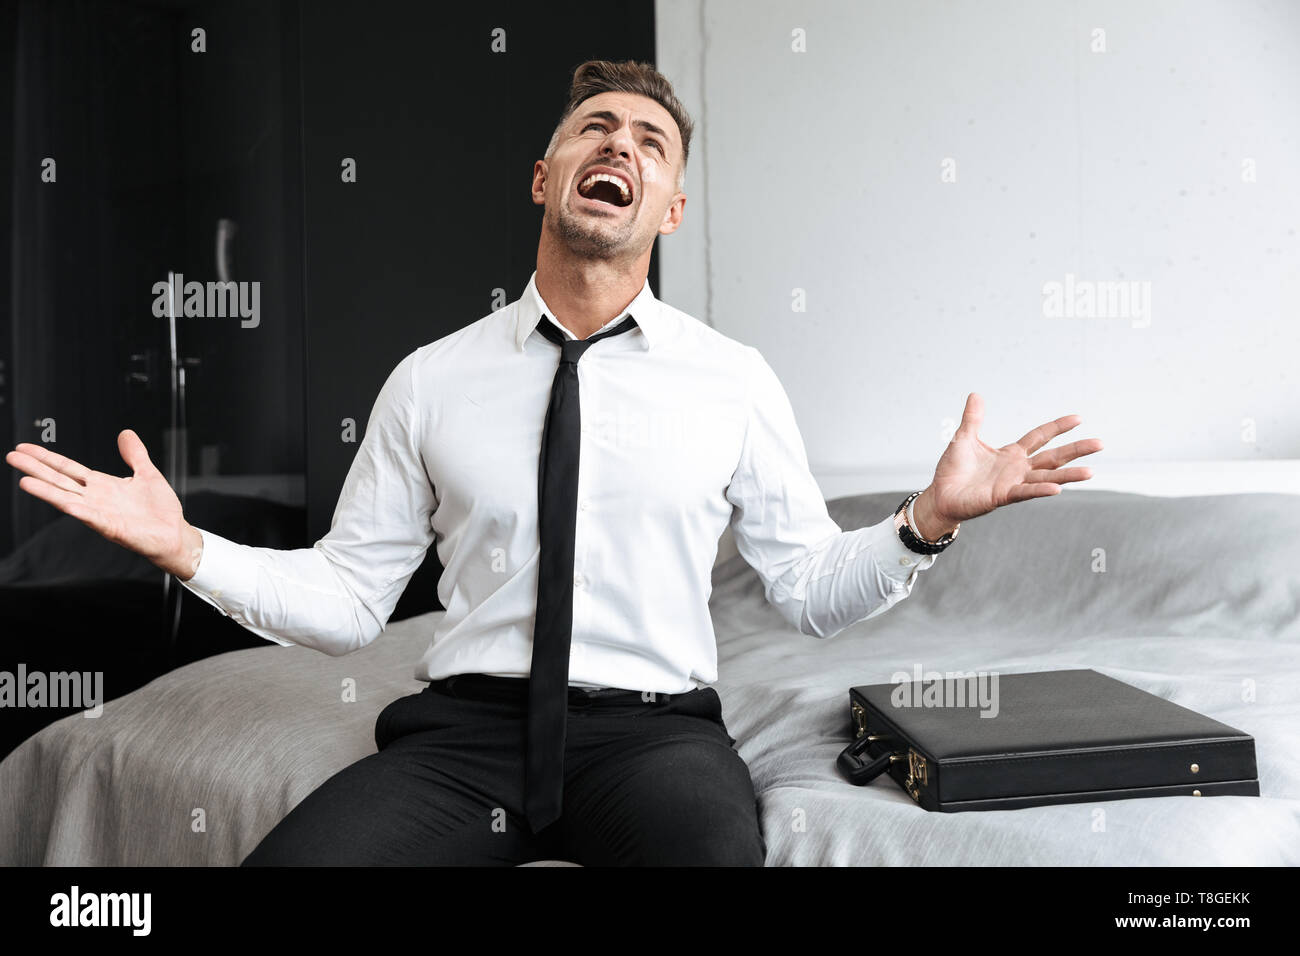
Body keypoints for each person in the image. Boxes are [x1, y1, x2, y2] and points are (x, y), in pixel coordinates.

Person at [4, 59, 1102, 866]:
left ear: (669, 207)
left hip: (652, 735)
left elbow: (808, 588)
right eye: (594, 128)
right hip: (461, 737)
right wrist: (187, 545)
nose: (617, 144)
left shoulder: (733, 379)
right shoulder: (431, 378)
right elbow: (345, 600)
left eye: (647, 141)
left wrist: (926, 517)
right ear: (546, 177)